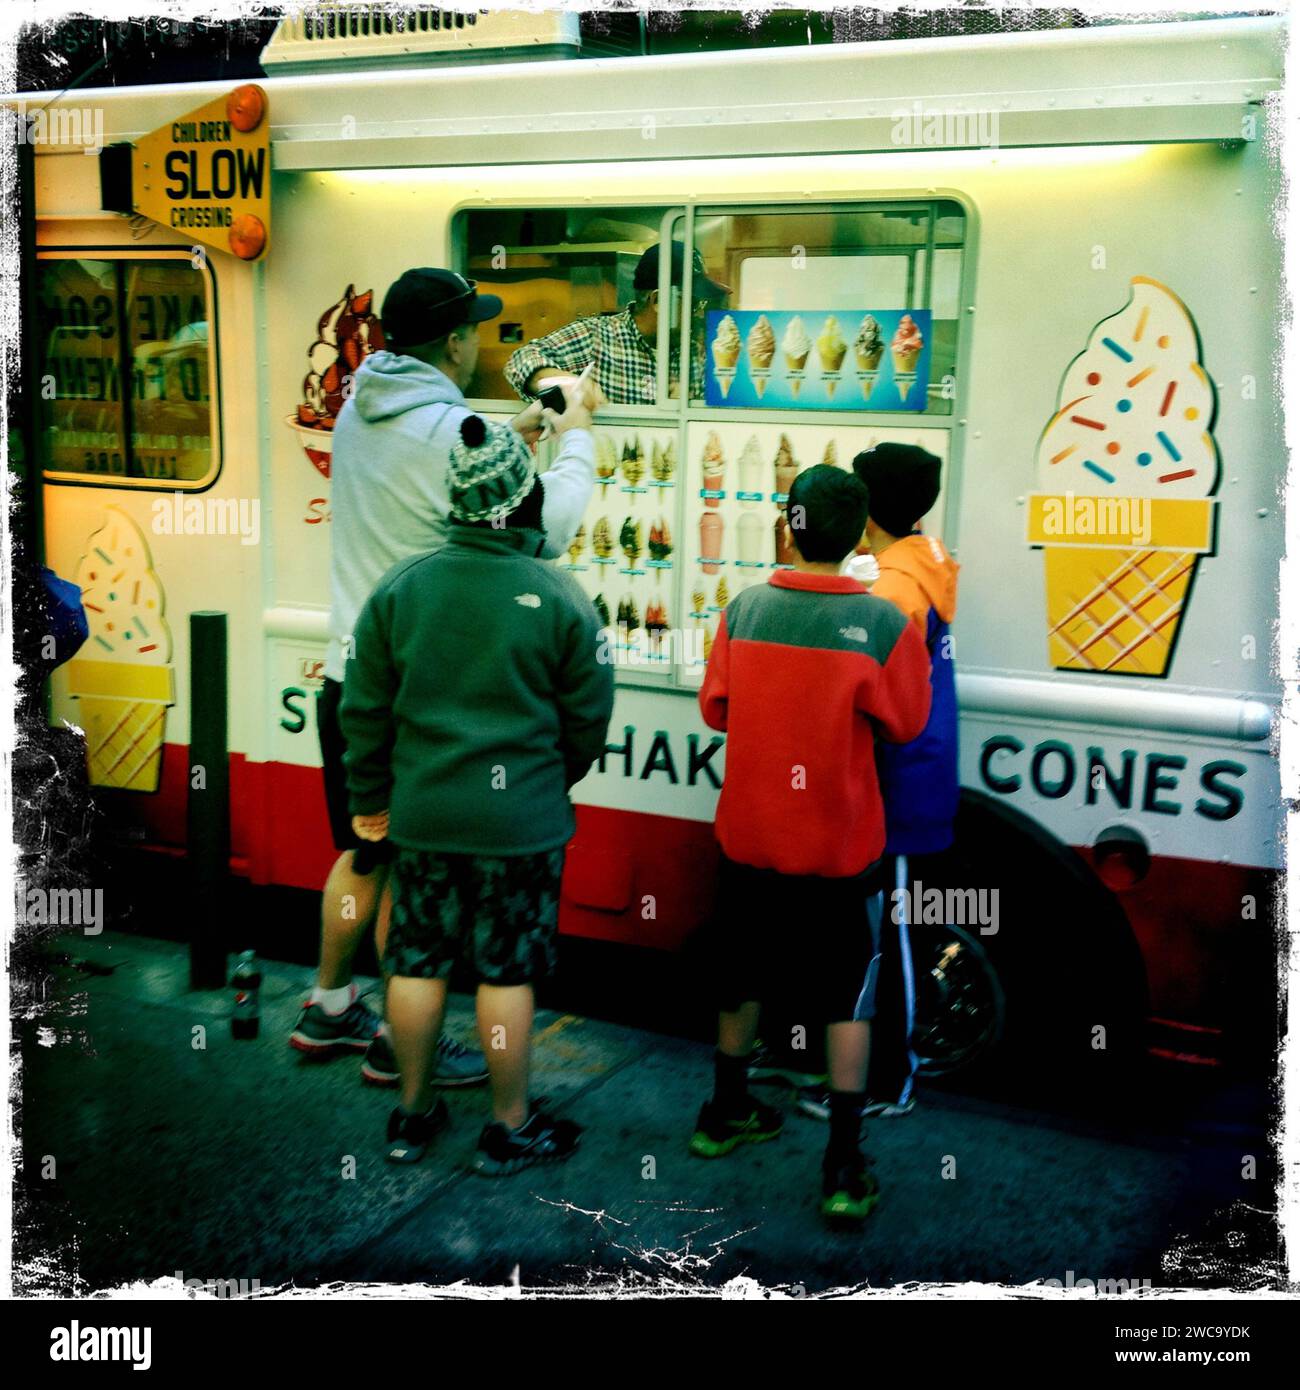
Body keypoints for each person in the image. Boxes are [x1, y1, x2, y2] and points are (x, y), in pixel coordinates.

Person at [289, 267, 602, 1088]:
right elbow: (545, 523)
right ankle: (403, 1047)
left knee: (365, 853)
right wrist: (576, 436)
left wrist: (518, 424)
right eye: (475, 329)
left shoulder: (361, 403)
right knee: (413, 873)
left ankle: (328, 1006)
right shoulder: (450, 425)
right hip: (425, 684)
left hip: (352, 675)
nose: (479, 340)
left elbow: (455, 460)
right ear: (457, 341)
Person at [340, 413, 615, 1169]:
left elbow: (361, 707)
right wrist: (550, 780)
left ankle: (412, 1114)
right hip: (520, 825)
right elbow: (588, 715)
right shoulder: (560, 595)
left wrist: (371, 795)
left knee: (416, 962)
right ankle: (509, 1124)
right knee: (506, 972)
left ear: (455, 503)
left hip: (423, 817)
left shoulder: (400, 590)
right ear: (523, 496)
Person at [692, 464, 932, 1223]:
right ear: (860, 533)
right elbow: (907, 723)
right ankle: (842, 1165)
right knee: (844, 999)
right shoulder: (886, 624)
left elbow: (716, 710)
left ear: (789, 527)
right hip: (838, 849)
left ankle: (725, 1111)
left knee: (740, 978)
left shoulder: (742, 612)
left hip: (748, 838)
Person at [799, 443, 959, 1125]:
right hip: (918, 772)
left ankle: (889, 1080)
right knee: (880, 935)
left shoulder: (892, 589)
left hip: (895, 785)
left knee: (884, 941)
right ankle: (854, 1065)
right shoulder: (929, 560)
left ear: (869, 508)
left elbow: (869, 696)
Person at [503, 241, 728, 405]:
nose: (700, 314)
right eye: (695, 304)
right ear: (658, 301)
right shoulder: (597, 337)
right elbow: (520, 361)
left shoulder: (697, 356)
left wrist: (694, 404)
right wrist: (569, 384)